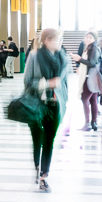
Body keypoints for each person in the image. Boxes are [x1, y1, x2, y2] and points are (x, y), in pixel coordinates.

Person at [23, 27, 68, 192]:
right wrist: (47, 84)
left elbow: (64, 84)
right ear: (48, 41)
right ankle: (37, 166)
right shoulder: (34, 56)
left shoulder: (63, 58)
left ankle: (44, 175)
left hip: (55, 105)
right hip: (37, 104)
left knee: (49, 141)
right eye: (57, 39)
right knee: (38, 140)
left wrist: (65, 100)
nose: (60, 43)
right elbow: (27, 81)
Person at [75, 31, 102, 131]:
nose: (88, 39)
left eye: (90, 37)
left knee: (85, 99)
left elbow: (92, 63)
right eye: (87, 37)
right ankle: (93, 123)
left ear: (95, 39)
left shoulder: (94, 48)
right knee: (93, 100)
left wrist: (79, 59)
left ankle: (88, 123)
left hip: (90, 78)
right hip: (92, 77)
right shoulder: (90, 48)